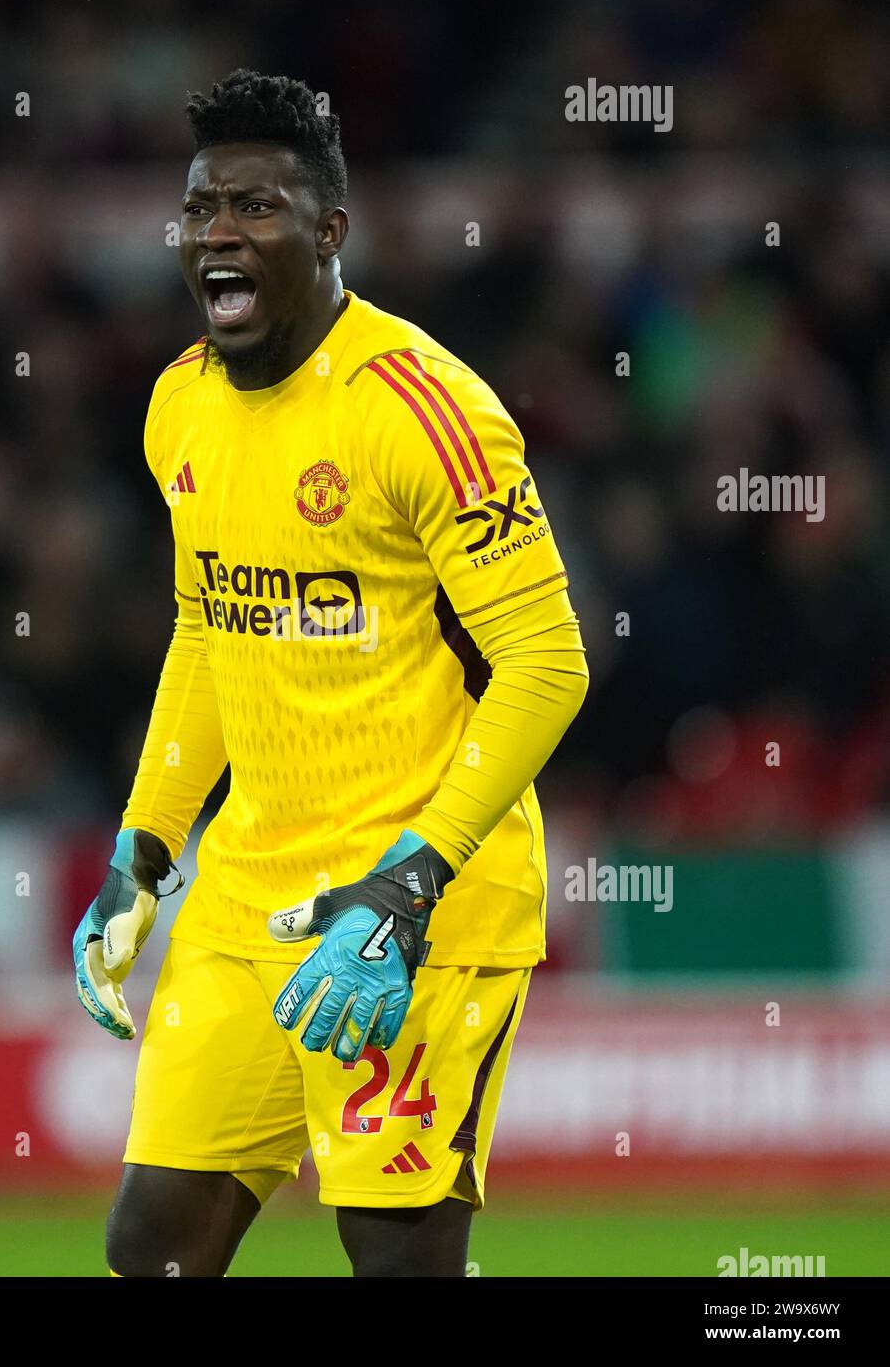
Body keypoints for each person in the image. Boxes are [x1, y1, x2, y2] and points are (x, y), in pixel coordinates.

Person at [74, 69, 590, 1277]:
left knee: (396, 1256)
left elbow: (547, 661)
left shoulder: (422, 407)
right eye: (201, 209)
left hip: (421, 901)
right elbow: (211, 628)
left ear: (329, 233)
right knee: (151, 1243)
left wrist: (410, 883)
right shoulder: (178, 409)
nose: (217, 234)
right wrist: (144, 845)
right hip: (247, 897)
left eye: (254, 208)